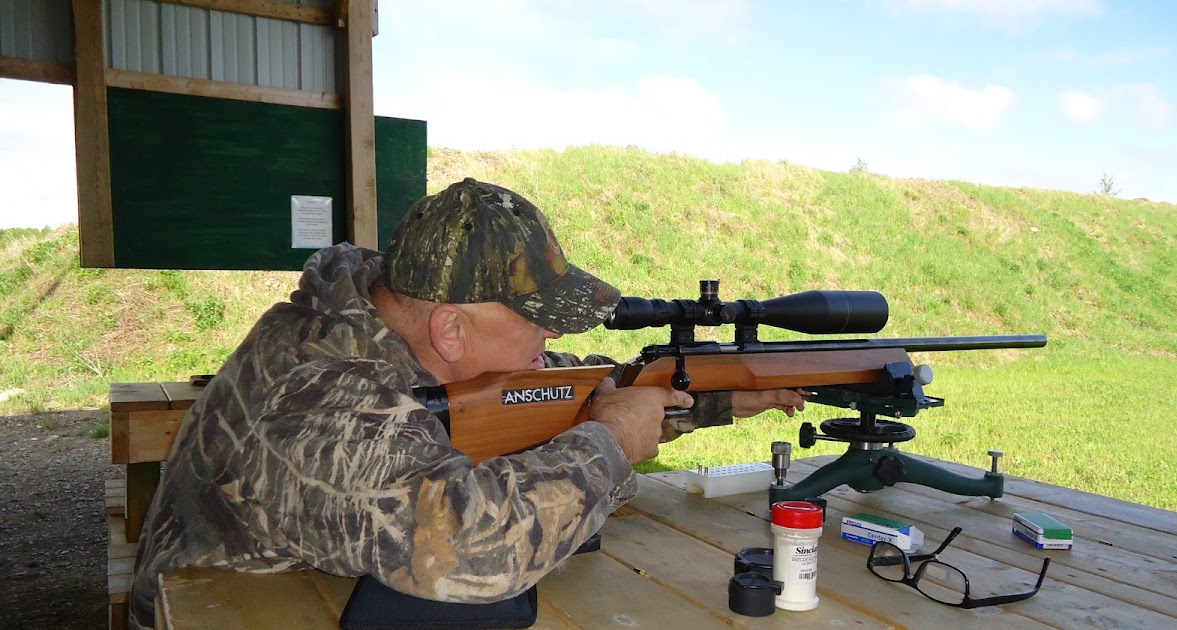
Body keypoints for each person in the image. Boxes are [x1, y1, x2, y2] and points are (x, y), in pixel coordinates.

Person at [127, 178, 808, 628]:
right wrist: (609, 444)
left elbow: (553, 390)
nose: (554, 334)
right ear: (450, 328)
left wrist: (699, 398)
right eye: (539, 319)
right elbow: (469, 548)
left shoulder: (383, 326)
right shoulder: (322, 396)